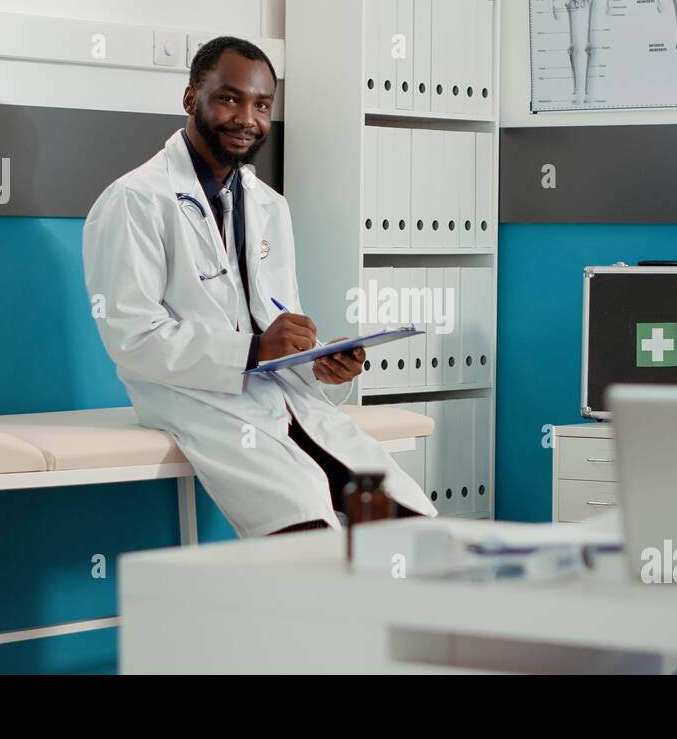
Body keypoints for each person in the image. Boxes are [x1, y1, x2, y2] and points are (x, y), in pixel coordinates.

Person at [82, 36, 437, 537]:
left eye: (262, 104)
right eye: (230, 98)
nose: (247, 117)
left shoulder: (269, 205)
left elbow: (276, 326)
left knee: (410, 525)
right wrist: (250, 350)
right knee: (307, 532)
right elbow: (131, 340)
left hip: (288, 402)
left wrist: (317, 363)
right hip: (201, 401)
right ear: (191, 100)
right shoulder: (135, 199)